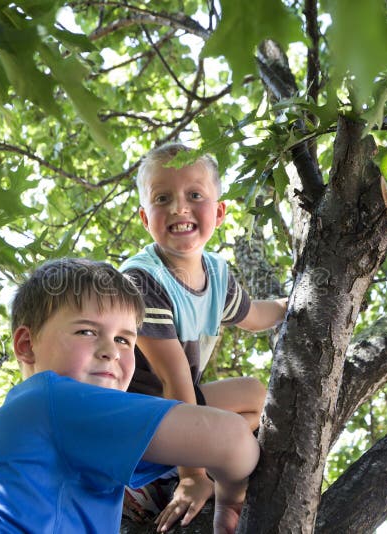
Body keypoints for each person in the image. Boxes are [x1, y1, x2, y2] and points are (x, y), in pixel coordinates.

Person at [0, 258, 259, 534]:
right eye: (87, 331)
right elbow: (230, 439)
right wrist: (230, 496)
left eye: (125, 339)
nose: (111, 351)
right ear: (26, 345)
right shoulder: (55, 401)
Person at [121, 143, 287, 531]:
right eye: (163, 198)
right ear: (145, 218)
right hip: (134, 422)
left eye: (195, 195)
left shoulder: (216, 275)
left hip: (173, 413)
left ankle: (186, 480)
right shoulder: (142, 279)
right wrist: (192, 476)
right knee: (242, 415)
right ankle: (162, 478)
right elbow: (173, 377)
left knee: (256, 400)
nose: (179, 207)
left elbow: (253, 316)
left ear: (219, 212)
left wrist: (293, 303)